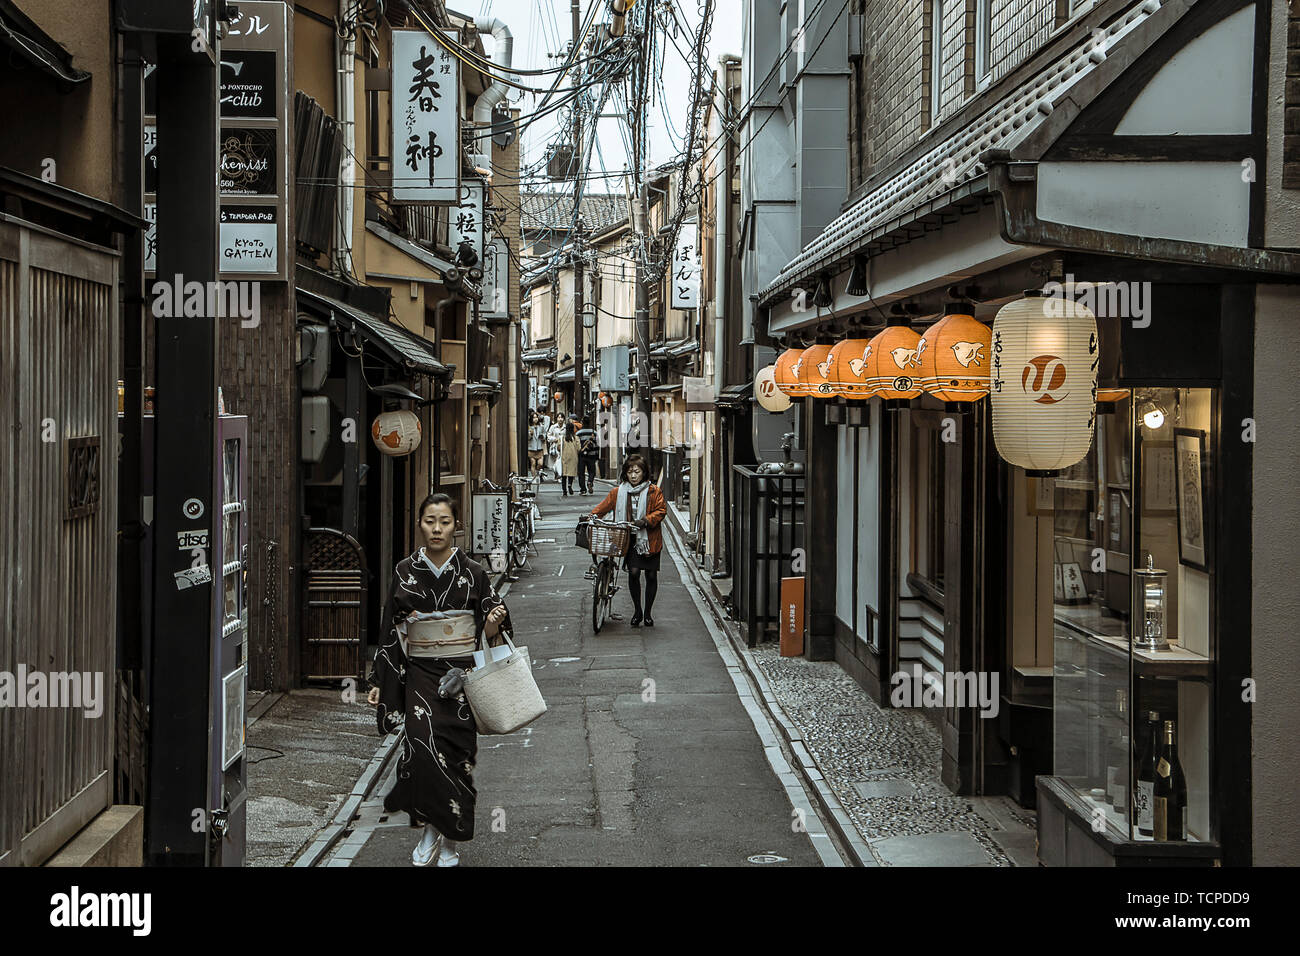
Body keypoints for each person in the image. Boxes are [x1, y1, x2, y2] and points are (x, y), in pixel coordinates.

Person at [366, 492, 513, 867]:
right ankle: (433, 828)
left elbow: (496, 624)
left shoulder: (474, 573)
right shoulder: (404, 571)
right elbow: (390, 629)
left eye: (444, 521)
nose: (436, 528)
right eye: (430, 520)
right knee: (421, 750)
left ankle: (447, 839)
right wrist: (379, 681)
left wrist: (494, 625)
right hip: (420, 673)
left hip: (462, 676)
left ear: (456, 525)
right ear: (420, 523)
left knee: (457, 757)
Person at [588, 454, 666, 627]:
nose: (633, 475)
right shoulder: (618, 492)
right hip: (628, 538)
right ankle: (638, 610)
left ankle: (648, 613)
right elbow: (602, 507)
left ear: (644, 473)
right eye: (630, 472)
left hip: (650, 539)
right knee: (634, 572)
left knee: (651, 575)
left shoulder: (654, 491)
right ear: (625, 473)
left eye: (637, 472)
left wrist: (645, 520)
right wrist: (590, 517)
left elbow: (661, 511)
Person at [575, 419, 599, 495]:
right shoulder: (594, 432)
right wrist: (597, 454)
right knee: (592, 471)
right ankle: (590, 481)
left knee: (581, 473)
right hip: (592, 455)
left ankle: (583, 489)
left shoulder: (578, 433)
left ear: (582, 423)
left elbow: (577, 445)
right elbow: (597, 444)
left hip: (581, 455)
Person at [560, 421, 579, 496]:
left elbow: (559, 447)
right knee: (571, 473)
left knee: (564, 474)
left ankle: (564, 491)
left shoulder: (563, 438)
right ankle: (570, 485)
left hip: (564, 457)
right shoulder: (576, 438)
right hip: (573, 457)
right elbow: (578, 448)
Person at [526, 411, 546, 477]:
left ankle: (537, 474)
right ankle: (534, 478)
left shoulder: (541, 426)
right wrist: (530, 435)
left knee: (540, 463)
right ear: (531, 419)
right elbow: (527, 438)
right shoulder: (529, 427)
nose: (535, 419)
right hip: (531, 448)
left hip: (540, 448)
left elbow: (545, 435)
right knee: (533, 463)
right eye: (534, 417)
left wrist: (542, 436)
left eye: (536, 417)